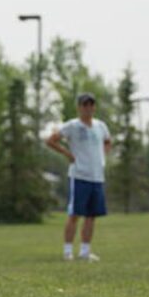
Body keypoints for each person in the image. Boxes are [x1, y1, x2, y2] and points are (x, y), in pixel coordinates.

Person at [46, 93, 112, 262]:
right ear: (79, 107)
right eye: (84, 105)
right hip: (80, 175)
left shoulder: (100, 126)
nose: (88, 108)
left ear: (94, 107)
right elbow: (51, 140)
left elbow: (107, 141)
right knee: (75, 214)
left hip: (97, 176)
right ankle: (68, 250)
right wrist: (67, 153)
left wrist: (103, 157)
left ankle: (85, 251)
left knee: (92, 215)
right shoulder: (72, 126)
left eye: (91, 105)